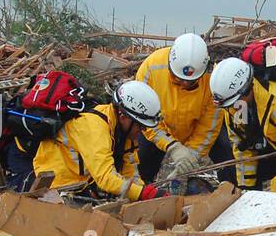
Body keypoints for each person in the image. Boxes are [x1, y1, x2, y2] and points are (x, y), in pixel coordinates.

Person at [33, 80, 172, 201]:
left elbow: (129, 171)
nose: (142, 131)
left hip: (80, 183)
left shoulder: (123, 131)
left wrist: (145, 193)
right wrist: (143, 194)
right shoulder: (95, 127)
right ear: (123, 116)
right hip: (55, 183)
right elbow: (105, 177)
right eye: (140, 125)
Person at [133, 33, 235, 186]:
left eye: (191, 82)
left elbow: (208, 127)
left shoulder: (212, 81)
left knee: (226, 149)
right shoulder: (151, 68)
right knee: (143, 158)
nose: (184, 84)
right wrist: (172, 146)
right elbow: (144, 116)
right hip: (158, 126)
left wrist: (189, 160)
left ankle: (233, 190)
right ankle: (143, 190)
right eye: (178, 79)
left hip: (195, 126)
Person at [208, 58, 276, 194]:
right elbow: (242, 148)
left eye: (232, 104)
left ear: (246, 90)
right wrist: (246, 187)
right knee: (230, 172)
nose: (231, 109)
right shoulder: (237, 106)